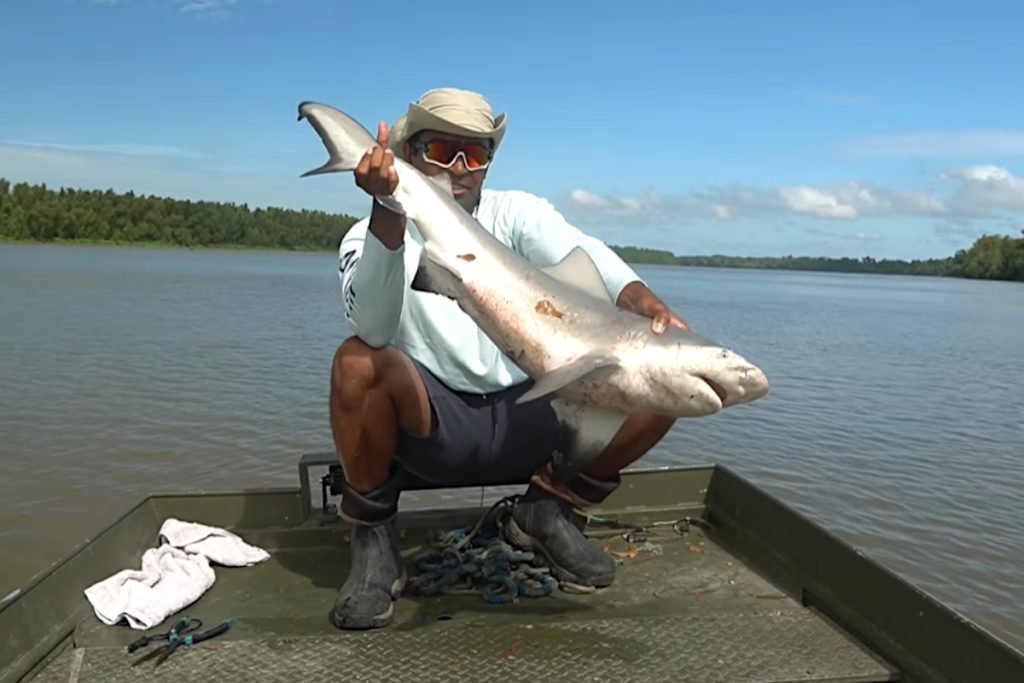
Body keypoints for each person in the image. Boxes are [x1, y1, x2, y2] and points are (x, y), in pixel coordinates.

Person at [329, 87, 689, 630]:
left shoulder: (516, 214)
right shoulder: (369, 235)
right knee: (357, 362)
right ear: (407, 153)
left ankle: (546, 511)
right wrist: (387, 210)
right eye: (443, 150)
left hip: (533, 415)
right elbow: (373, 328)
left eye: (475, 154)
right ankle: (374, 538)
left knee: (665, 380)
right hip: (436, 428)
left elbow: (585, 253)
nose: (460, 168)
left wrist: (640, 299)